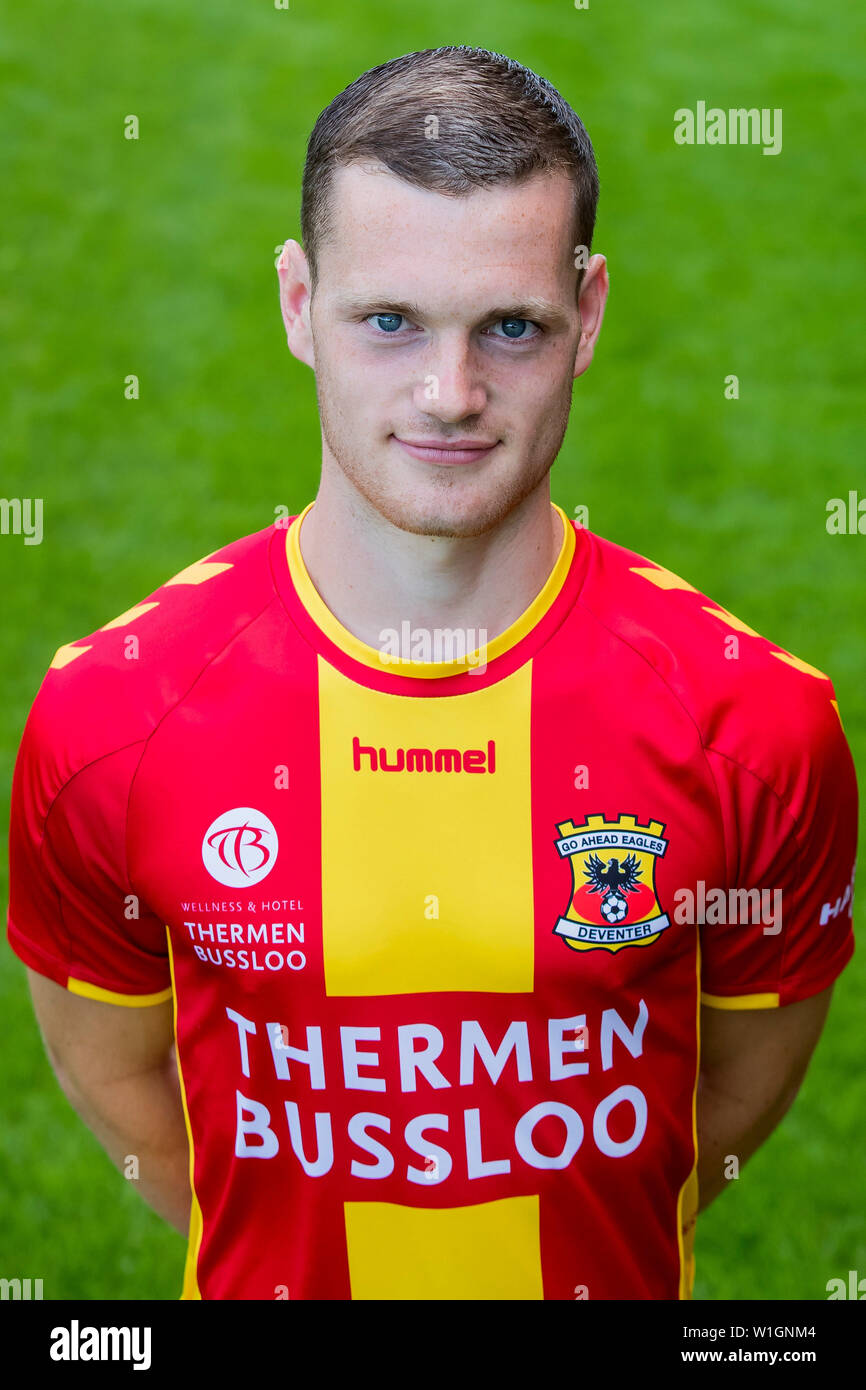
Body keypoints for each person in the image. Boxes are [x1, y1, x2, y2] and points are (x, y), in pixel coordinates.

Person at [7, 45, 857, 1301]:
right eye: (388, 320)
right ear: (298, 304)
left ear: (590, 311)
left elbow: (724, 1100)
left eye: (509, 327)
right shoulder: (109, 716)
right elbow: (123, 1081)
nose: (448, 394)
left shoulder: (758, 725)